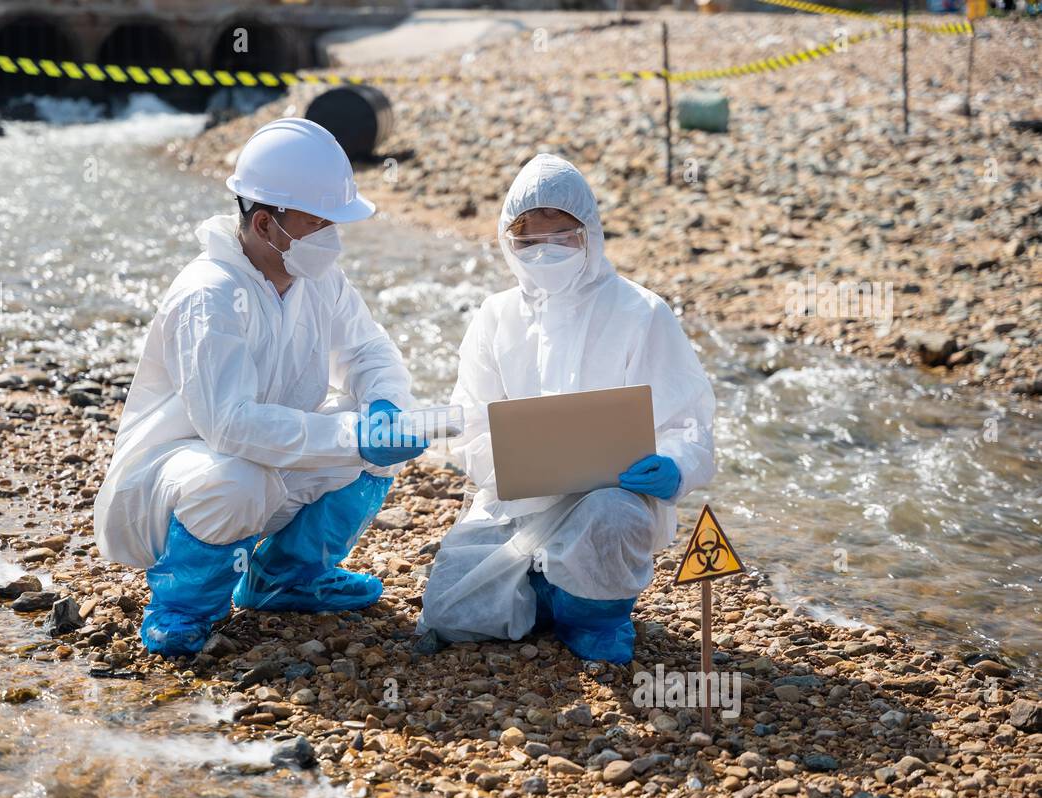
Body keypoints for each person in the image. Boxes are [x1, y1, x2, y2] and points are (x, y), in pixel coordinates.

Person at [93, 118, 427, 658]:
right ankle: (182, 608)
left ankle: (285, 580)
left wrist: (384, 405)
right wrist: (351, 434)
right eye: (319, 223)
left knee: (374, 434)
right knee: (242, 479)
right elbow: (230, 425)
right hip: (175, 485)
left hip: (261, 465)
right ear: (268, 223)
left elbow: (367, 350)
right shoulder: (209, 296)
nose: (332, 239)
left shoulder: (316, 279)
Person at [417, 153, 716, 662]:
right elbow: (468, 422)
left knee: (611, 517)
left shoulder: (640, 312)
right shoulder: (496, 316)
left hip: (607, 499)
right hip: (514, 502)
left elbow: (687, 420)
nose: (545, 252)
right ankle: (549, 585)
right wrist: (516, 464)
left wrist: (676, 467)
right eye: (530, 240)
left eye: (561, 236)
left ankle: (593, 615)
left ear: (590, 235)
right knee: (449, 615)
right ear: (508, 242)